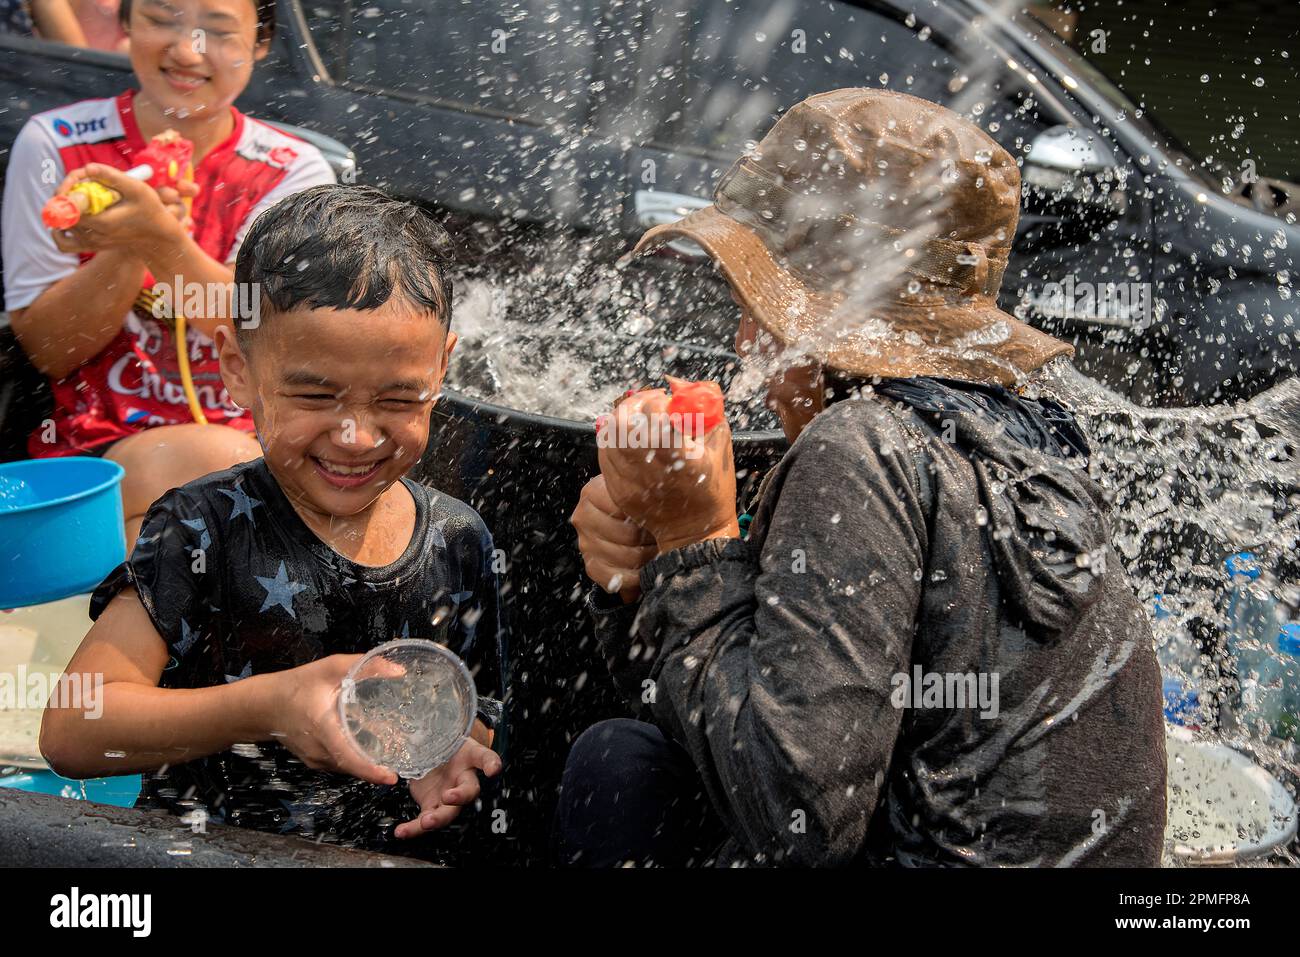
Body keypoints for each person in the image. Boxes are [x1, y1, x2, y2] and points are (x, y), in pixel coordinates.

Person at [561, 88, 1167, 867]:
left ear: (820, 330)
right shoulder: (1012, 433)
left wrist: (694, 540)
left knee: (614, 770)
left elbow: (799, 826)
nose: (747, 341)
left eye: (762, 309)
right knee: (635, 760)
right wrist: (647, 583)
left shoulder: (861, 448)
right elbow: (773, 727)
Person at [40, 185, 505, 854]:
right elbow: (72, 727)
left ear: (441, 368)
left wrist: (444, 753)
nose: (355, 433)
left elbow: (476, 709)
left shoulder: (460, 541)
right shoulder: (202, 527)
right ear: (239, 369)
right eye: (315, 394)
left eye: (399, 398)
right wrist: (269, 706)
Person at [2, 0, 332, 544]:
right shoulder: (56, 144)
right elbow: (52, 349)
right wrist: (127, 247)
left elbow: (265, 340)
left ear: (261, 42)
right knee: (221, 478)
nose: (186, 51)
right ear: (126, 25)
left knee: (206, 505)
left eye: (219, 31)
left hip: (245, 447)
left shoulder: (292, 170)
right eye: (162, 19)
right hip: (94, 455)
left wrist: (163, 242)